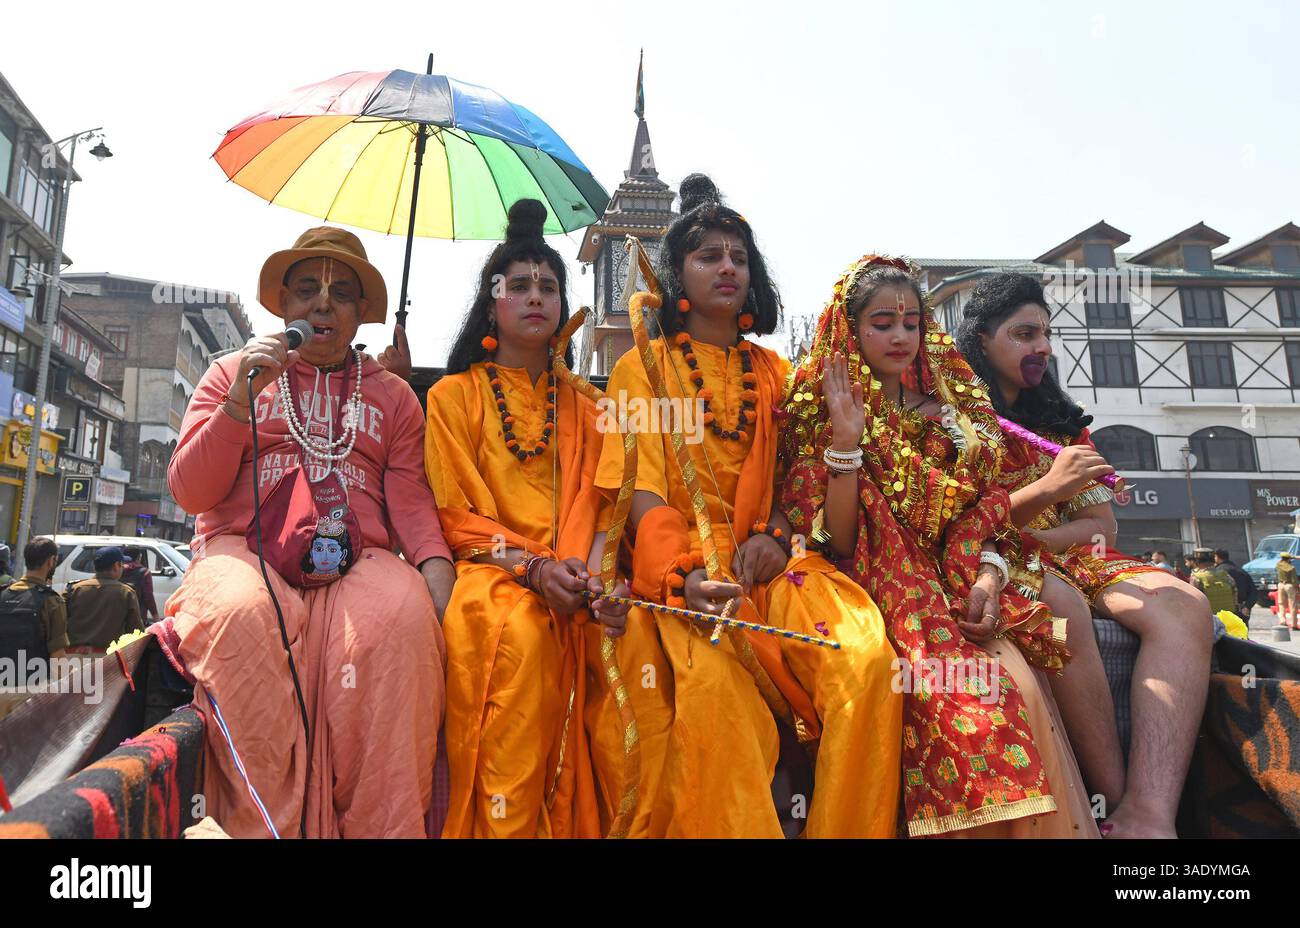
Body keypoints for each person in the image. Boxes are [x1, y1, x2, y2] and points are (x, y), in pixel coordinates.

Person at [590, 175, 901, 838]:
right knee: (714, 700)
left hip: (775, 566)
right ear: (677, 274)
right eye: (708, 256)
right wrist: (686, 574)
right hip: (682, 580)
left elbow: (798, 481)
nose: (727, 267)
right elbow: (640, 492)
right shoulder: (640, 370)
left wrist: (778, 531)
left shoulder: (776, 375)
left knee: (867, 661)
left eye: (739, 256)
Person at [781, 254, 1098, 838]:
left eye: (911, 322)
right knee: (954, 701)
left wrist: (988, 576)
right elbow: (840, 540)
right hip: (871, 590)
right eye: (882, 323)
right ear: (851, 331)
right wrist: (847, 442)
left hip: (962, 582)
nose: (900, 336)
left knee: (1019, 688)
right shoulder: (823, 410)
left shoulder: (954, 414)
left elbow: (985, 520)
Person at [164, 226, 456, 838]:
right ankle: (260, 828)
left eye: (341, 293)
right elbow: (191, 492)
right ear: (283, 304)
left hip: (360, 560)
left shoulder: (395, 398)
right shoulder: (230, 374)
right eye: (307, 290)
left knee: (402, 621)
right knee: (241, 616)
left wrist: (435, 570)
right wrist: (241, 402)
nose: (322, 303)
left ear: (358, 317)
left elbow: (408, 499)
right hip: (244, 551)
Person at [955, 271, 1214, 838]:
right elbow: (959, 527)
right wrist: (1045, 493)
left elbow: (1099, 524)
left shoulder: (1064, 427)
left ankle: (1150, 811)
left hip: (1071, 556)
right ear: (981, 340)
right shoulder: (951, 420)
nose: (1042, 347)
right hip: (990, 563)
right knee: (1061, 608)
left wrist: (1044, 532)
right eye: (1024, 334)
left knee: (1187, 606)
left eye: (1046, 334)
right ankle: (1113, 804)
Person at [421, 200, 632, 838]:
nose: (535, 296)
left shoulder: (593, 408)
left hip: (580, 581)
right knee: (525, 642)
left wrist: (597, 585)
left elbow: (603, 513)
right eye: (519, 286)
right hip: (493, 578)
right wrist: (534, 568)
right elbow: (454, 517)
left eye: (549, 286)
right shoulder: (452, 399)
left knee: (635, 659)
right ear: (493, 305)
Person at [0, 536, 68, 661]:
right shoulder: (52, 601)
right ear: (50, 561)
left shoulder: (3, 593)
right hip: (36, 678)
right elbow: (57, 658)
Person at [65, 547, 144, 653]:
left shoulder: (73, 589)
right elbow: (136, 632)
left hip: (72, 657)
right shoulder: (126, 593)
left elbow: (58, 626)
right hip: (108, 659)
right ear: (116, 566)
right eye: (122, 564)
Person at [1189, 548, 1237, 616]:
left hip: (1209, 618)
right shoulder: (1225, 574)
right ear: (1213, 560)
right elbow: (1235, 594)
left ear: (1196, 562)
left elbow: (1193, 601)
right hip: (1229, 616)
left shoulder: (1196, 577)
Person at [1214, 549, 1256, 619]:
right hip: (1242, 609)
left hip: (1225, 610)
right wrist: (1247, 606)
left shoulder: (1217, 572)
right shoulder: (1241, 570)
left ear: (1217, 557)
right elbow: (1253, 591)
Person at [120, 548, 159, 622]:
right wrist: (155, 616)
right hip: (137, 615)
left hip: (118, 615)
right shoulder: (144, 572)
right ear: (138, 558)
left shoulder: (117, 570)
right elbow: (148, 597)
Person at [1277, 552, 1298, 628]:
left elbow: (1283, 558)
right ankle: (1294, 624)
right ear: (1289, 559)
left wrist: (1289, 557)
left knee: (1281, 604)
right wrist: (1297, 588)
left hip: (1280, 585)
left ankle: (1283, 620)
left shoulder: (1278, 565)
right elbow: (1294, 580)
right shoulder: (1291, 568)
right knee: (1293, 605)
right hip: (1289, 586)